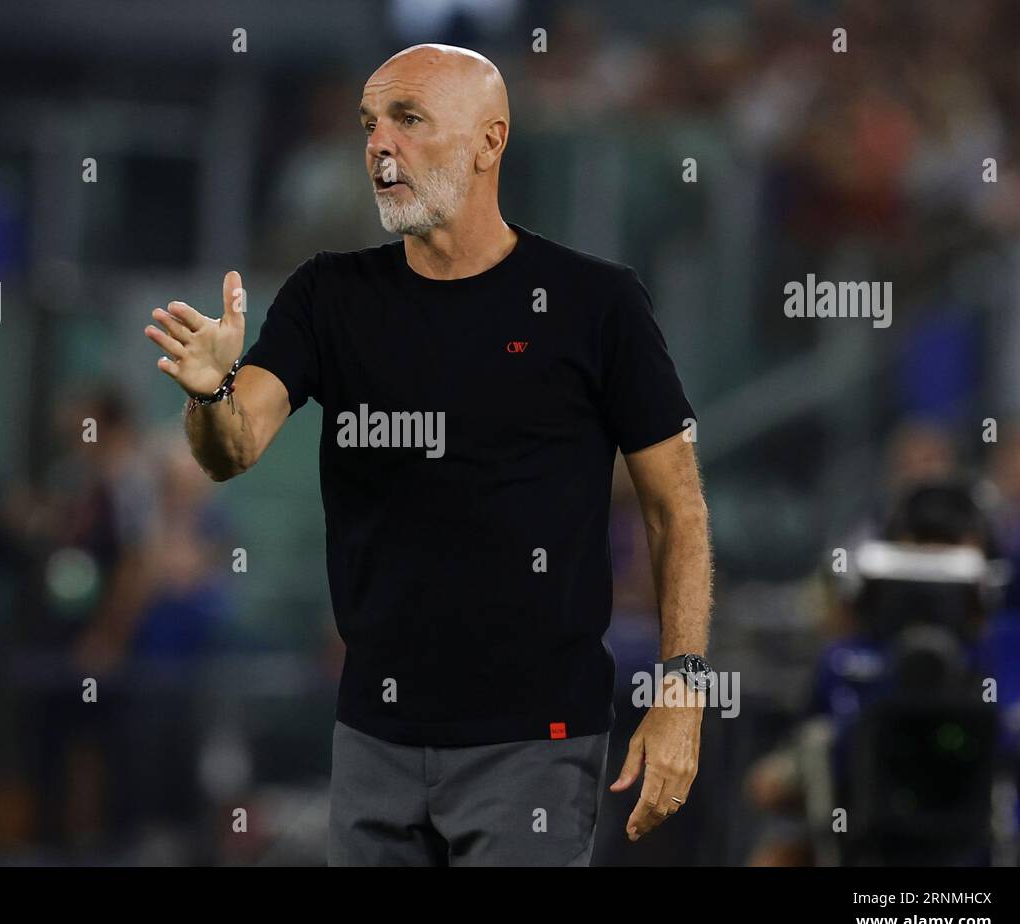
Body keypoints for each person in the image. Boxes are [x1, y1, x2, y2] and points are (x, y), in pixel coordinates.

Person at [144, 44, 712, 866]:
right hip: (374, 734)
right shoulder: (327, 295)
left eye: (410, 121)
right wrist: (207, 391)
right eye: (372, 125)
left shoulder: (597, 303)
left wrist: (682, 692)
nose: (381, 147)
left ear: (490, 142)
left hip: (537, 741)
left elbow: (676, 507)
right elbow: (233, 448)